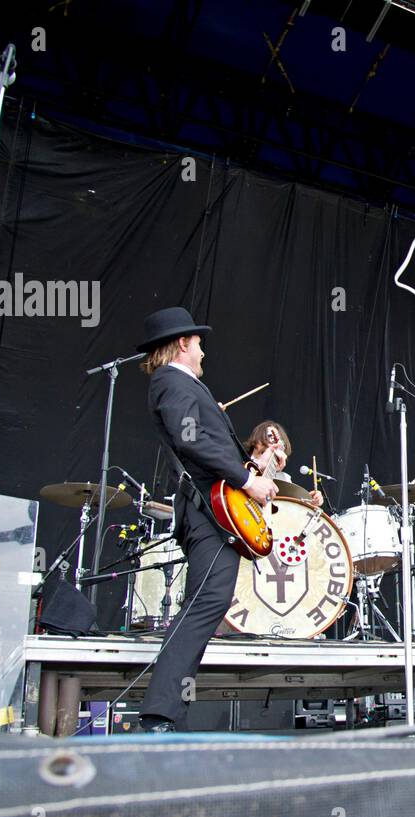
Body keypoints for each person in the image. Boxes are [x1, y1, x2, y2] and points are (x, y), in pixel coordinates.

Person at [136, 307, 276, 732]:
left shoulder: (185, 386)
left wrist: (256, 468)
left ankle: (164, 711)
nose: (203, 351)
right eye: (198, 343)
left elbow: (204, 440)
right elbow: (187, 437)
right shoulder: (172, 381)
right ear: (182, 344)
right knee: (204, 605)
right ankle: (160, 713)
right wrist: (245, 481)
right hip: (206, 515)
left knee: (206, 603)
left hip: (216, 511)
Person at [244, 420, 324, 507]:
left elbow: (288, 509)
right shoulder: (238, 460)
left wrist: (309, 502)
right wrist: (260, 465)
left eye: (276, 440)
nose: (272, 442)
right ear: (257, 438)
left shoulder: (284, 478)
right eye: (268, 436)